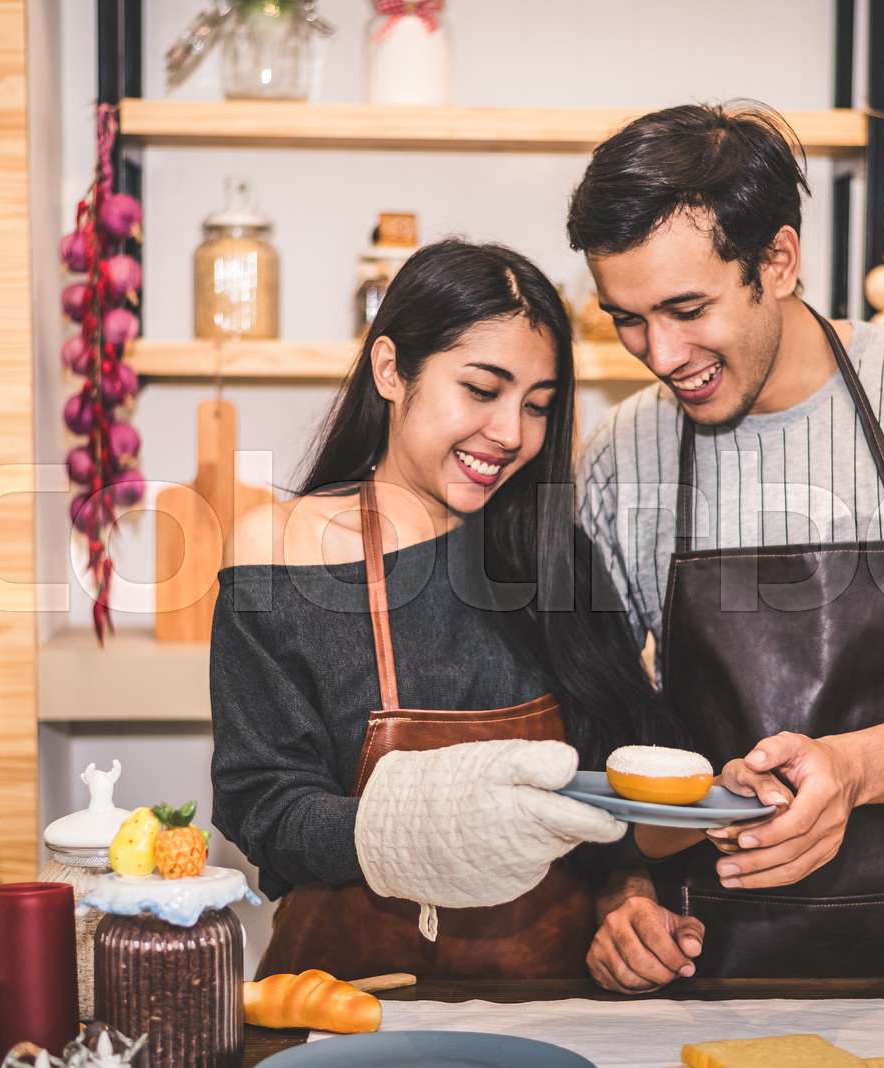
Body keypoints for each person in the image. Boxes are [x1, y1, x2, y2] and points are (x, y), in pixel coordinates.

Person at [569, 102, 884, 989]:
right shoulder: (621, 454)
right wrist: (624, 891)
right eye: (628, 319)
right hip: (702, 963)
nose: (662, 353)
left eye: (687, 308)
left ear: (779, 262)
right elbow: (605, 727)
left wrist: (850, 769)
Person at [210, 239, 677, 980]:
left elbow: (615, 786)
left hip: (549, 1013)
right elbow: (261, 806)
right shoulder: (279, 551)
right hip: (353, 1009)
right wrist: (413, 831)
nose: (512, 433)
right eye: (482, 389)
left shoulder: (557, 555)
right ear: (392, 370)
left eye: (538, 406)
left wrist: (627, 898)